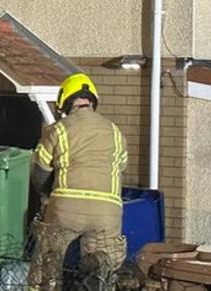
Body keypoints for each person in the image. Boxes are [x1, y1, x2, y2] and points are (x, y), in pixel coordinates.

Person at [28, 72, 128, 290]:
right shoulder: (115, 131)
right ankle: (98, 275)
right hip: (106, 211)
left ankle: (49, 285)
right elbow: (120, 168)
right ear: (92, 100)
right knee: (103, 269)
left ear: (66, 100)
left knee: (49, 261)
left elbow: (39, 174)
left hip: (66, 208)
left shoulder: (58, 129)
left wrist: (48, 195)